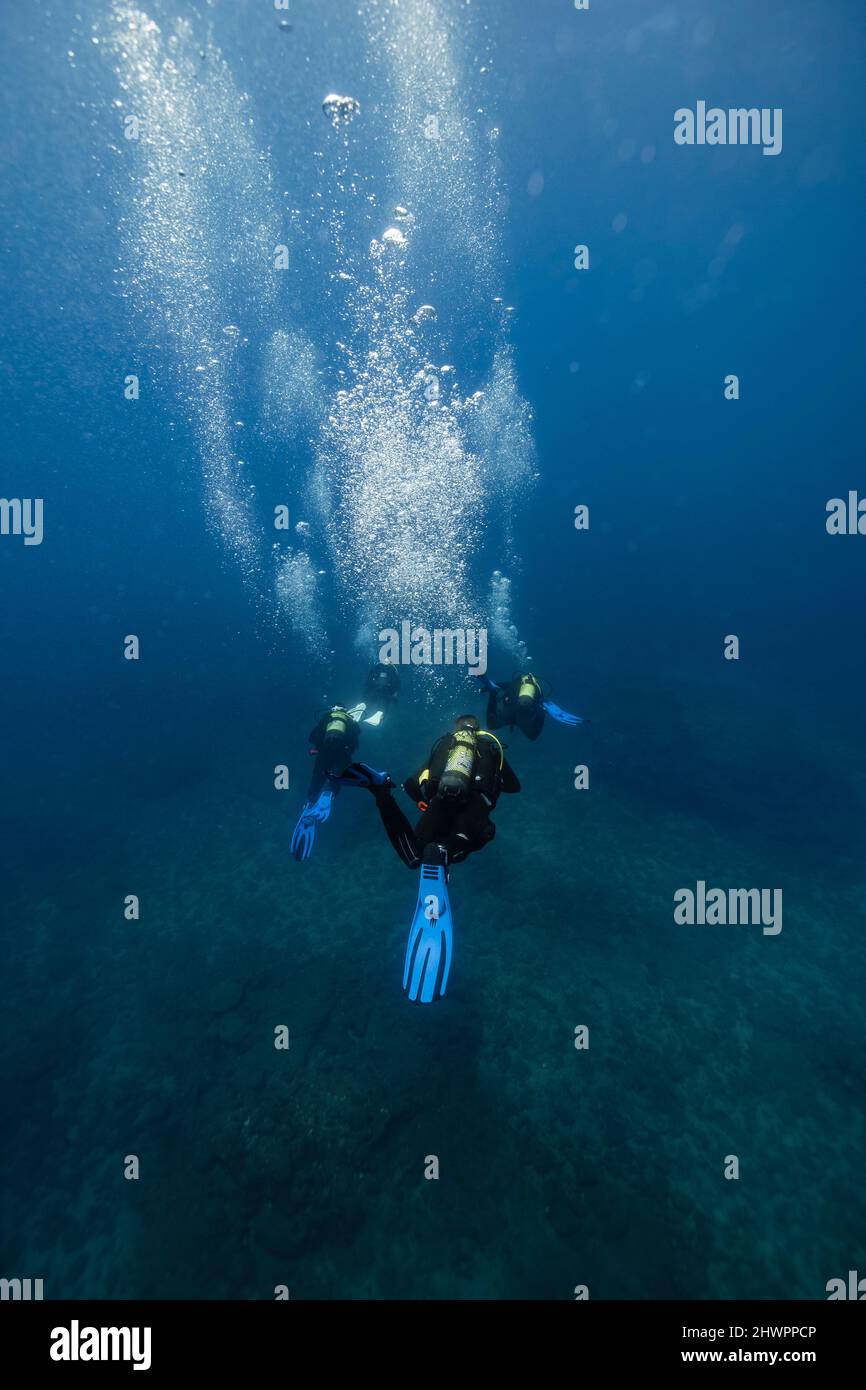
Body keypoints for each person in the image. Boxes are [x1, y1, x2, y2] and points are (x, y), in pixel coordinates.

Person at [330, 715, 520, 1002]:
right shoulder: (491, 747)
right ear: (478, 729)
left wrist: (424, 802)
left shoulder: (444, 744)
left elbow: (410, 784)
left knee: (415, 856)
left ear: (457, 729)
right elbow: (514, 787)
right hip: (476, 806)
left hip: (440, 802)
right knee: (465, 844)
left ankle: (381, 791)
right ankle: (445, 853)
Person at [290, 704, 361, 862]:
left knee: (317, 777)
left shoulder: (327, 718)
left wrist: (319, 746)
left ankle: (310, 801)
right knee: (336, 777)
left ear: (334, 709)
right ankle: (328, 794)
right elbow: (355, 742)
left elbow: (313, 737)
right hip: (343, 755)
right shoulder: (350, 721)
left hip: (324, 753)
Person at [476, 671, 583, 741]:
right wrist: (541, 712)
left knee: (491, 725)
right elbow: (539, 700)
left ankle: (493, 694)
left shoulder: (513, 683)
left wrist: (486, 690)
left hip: (509, 710)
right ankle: (542, 714)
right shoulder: (537, 689)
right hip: (524, 714)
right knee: (533, 736)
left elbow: (500, 685)